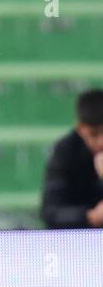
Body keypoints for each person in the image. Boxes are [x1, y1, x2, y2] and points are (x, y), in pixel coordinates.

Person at [41, 88, 103, 229]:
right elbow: (51, 212)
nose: (101, 142)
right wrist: (90, 216)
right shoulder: (66, 152)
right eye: (94, 134)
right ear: (80, 129)